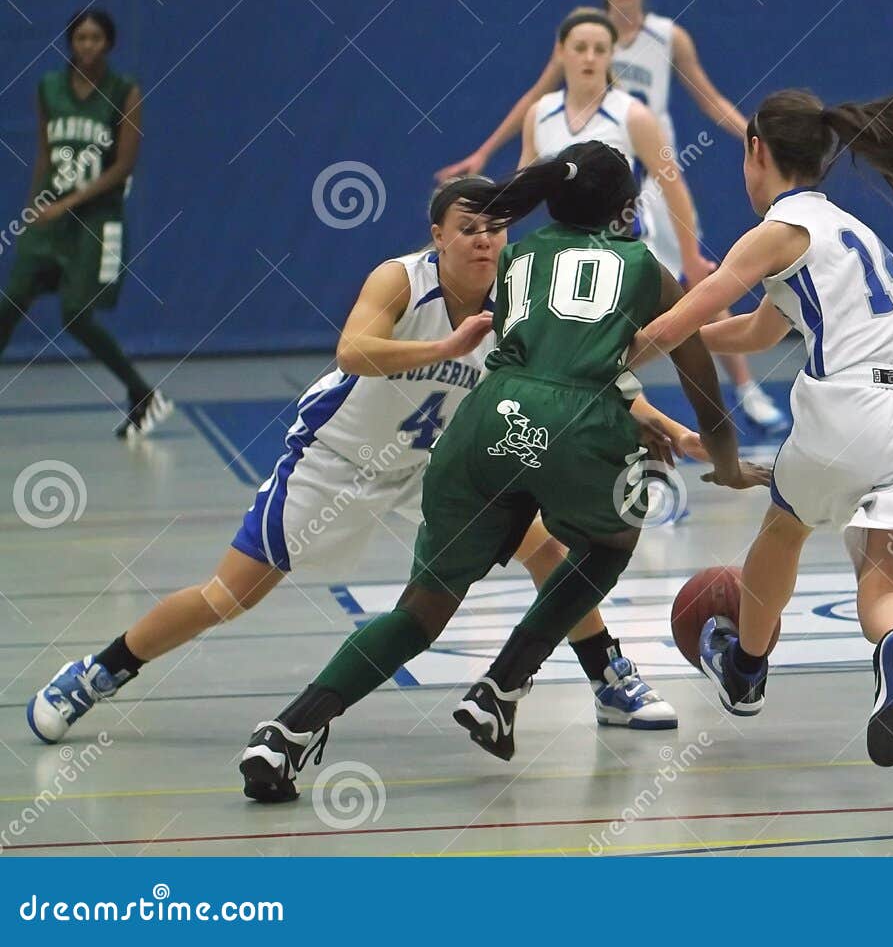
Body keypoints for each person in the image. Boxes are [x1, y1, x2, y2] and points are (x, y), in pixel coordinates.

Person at [28, 177, 689, 745]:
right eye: (469, 228)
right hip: (339, 459)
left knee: (545, 549)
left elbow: (571, 376)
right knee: (229, 595)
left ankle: (608, 677)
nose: (485, 239)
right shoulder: (401, 278)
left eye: (495, 228)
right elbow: (352, 351)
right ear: (438, 235)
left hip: (440, 464)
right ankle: (100, 669)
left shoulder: (518, 293)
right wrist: (445, 348)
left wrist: (662, 423)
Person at [240, 142, 768, 801]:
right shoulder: (645, 266)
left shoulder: (515, 257)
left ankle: (289, 729)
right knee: (610, 540)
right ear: (623, 209)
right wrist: (725, 461)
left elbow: (552, 342)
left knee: (422, 609)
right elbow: (700, 381)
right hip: (579, 425)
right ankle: (502, 682)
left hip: (486, 422)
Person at [629, 82, 893, 768]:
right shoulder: (850, 231)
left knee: (785, 527)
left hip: (847, 413)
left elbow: (687, 315)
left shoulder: (777, 231)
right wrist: (687, 336)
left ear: (757, 152)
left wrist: (608, 352)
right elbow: (755, 331)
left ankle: (746, 671)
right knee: (887, 590)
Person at [435, 0, 786, 432]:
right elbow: (532, 108)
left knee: (697, 288)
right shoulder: (581, 40)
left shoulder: (663, 44)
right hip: (583, 214)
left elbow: (708, 97)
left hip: (642, 192)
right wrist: (484, 155)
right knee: (604, 334)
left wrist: (755, 135)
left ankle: (740, 392)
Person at [0, 9, 170, 438]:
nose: (87, 45)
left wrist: (70, 202)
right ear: (70, 42)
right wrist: (33, 206)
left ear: (108, 43)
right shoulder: (49, 88)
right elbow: (43, 153)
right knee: (9, 301)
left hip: (97, 219)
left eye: (95, 38)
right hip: (50, 216)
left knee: (76, 314)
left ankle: (142, 392)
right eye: (80, 37)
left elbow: (123, 166)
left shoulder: (123, 91)